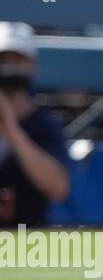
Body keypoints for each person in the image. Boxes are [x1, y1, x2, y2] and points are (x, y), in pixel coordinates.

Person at [0, 22, 71, 228]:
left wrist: (12, 131)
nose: (9, 66)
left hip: (29, 241)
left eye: (17, 59)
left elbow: (59, 188)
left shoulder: (43, 124)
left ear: (31, 65)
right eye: (3, 59)